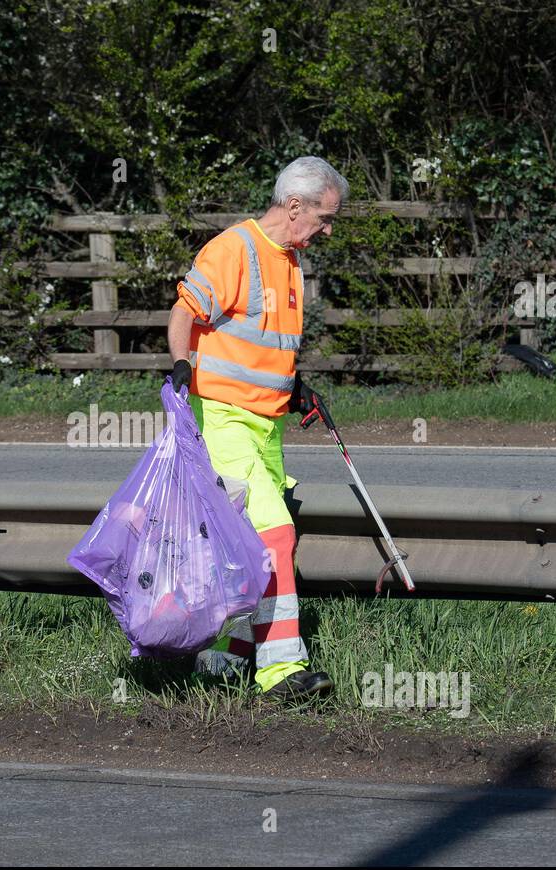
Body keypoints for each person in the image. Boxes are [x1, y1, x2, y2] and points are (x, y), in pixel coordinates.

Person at [166, 156, 348, 701]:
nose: (327, 229)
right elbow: (184, 313)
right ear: (294, 207)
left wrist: (294, 390)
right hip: (225, 420)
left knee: (256, 542)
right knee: (274, 534)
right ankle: (281, 672)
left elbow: (263, 345)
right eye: (323, 217)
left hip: (266, 425)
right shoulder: (233, 249)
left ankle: (228, 656)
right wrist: (180, 365)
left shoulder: (290, 258)